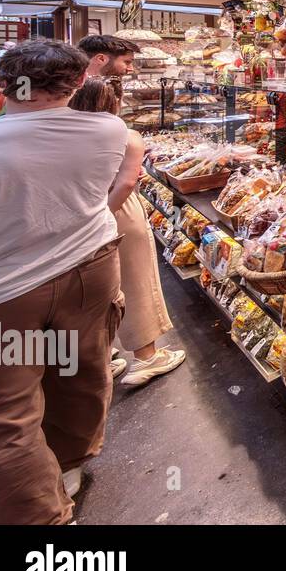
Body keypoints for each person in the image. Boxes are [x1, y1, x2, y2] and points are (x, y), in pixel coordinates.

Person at [0, 40, 128, 524]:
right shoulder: (108, 129)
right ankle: (69, 465)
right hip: (91, 268)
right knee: (81, 373)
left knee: (2, 415)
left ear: (1, 86)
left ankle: (37, 515)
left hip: (0, 291)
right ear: (80, 82)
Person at [69, 79, 185, 387]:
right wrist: (104, 217)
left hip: (80, 213)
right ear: (114, 103)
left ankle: (101, 358)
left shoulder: (66, 136)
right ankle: (147, 357)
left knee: (94, 290)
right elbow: (126, 183)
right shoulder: (126, 135)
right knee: (136, 282)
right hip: (116, 211)